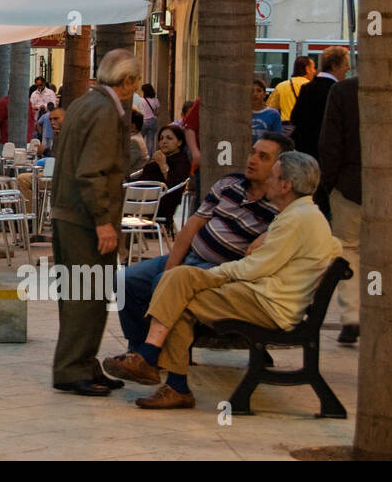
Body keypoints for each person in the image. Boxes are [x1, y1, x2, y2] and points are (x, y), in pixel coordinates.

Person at [103, 152, 341, 409]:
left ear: (285, 185)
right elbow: (332, 248)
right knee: (178, 280)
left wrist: (210, 276)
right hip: (263, 294)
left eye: (273, 176)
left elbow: (254, 268)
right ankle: (157, 366)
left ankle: (156, 364)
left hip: (268, 303)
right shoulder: (302, 214)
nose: (268, 180)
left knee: (180, 292)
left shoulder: (296, 219)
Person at [115, 133, 293, 352]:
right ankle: (137, 348)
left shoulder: (281, 207)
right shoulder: (229, 184)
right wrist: (171, 266)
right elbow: (193, 224)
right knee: (125, 279)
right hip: (190, 256)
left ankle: (154, 353)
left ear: (280, 167)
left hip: (219, 271)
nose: (252, 160)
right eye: (252, 153)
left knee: (164, 284)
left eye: (263, 157)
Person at [49, 49, 141, 397]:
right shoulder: (105, 111)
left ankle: (84, 363)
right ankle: (72, 369)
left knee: (85, 292)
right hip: (84, 219)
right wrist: (104, 221)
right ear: (128, 81)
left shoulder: (83, 104)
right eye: (136, 80)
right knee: (86, 295)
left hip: (70, 213)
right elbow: (92, 171)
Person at [318, 75, 361, 345]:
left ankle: (352, 317)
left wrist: (331, 182)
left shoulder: (343, 91)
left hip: (350, 185)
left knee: (349, 250)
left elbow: (330, 143)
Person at [289, 45, 349, 159]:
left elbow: (295, 117)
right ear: (334, 65)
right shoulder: (338, 91)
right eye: (345, 64)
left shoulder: (306, 87)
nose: (348, 68)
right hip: (326, 154)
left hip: (304, 151)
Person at [131, 124, 193, 223]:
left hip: (157, 204)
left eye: (169, 138)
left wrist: (163, 165)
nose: (164, 141)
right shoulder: (160, 157)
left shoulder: (181, 161)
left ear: (179, 142)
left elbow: (174, 185)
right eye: (161, 138)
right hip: (139, 199)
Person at [265, 54, 317, 130]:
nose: (314, 71)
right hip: (305, 128)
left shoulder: (281, 86)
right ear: (307, 69)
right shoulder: (313, 87)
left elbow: (270, 110)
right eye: (313, 68)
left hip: (285, 128)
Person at [250, 77, 283, 142]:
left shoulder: (273, 114)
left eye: (259, 91)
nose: (255, 94)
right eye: (251, 91)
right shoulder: (241, 114)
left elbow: (278, 139)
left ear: (264, 94)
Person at [133, 83, 160, 156]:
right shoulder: (155, 100)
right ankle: (149, 157)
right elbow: (157, 113)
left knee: (140, 139)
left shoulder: (141, 100)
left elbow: (139, 111)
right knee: (150, 140)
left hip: (144, 121)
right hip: (153, 121)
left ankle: (141, 154)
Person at [128, 110, 149, 174]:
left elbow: (124, 164)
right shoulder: (137, 136)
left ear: (133, 126)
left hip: (131, 178)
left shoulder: (133, 141)